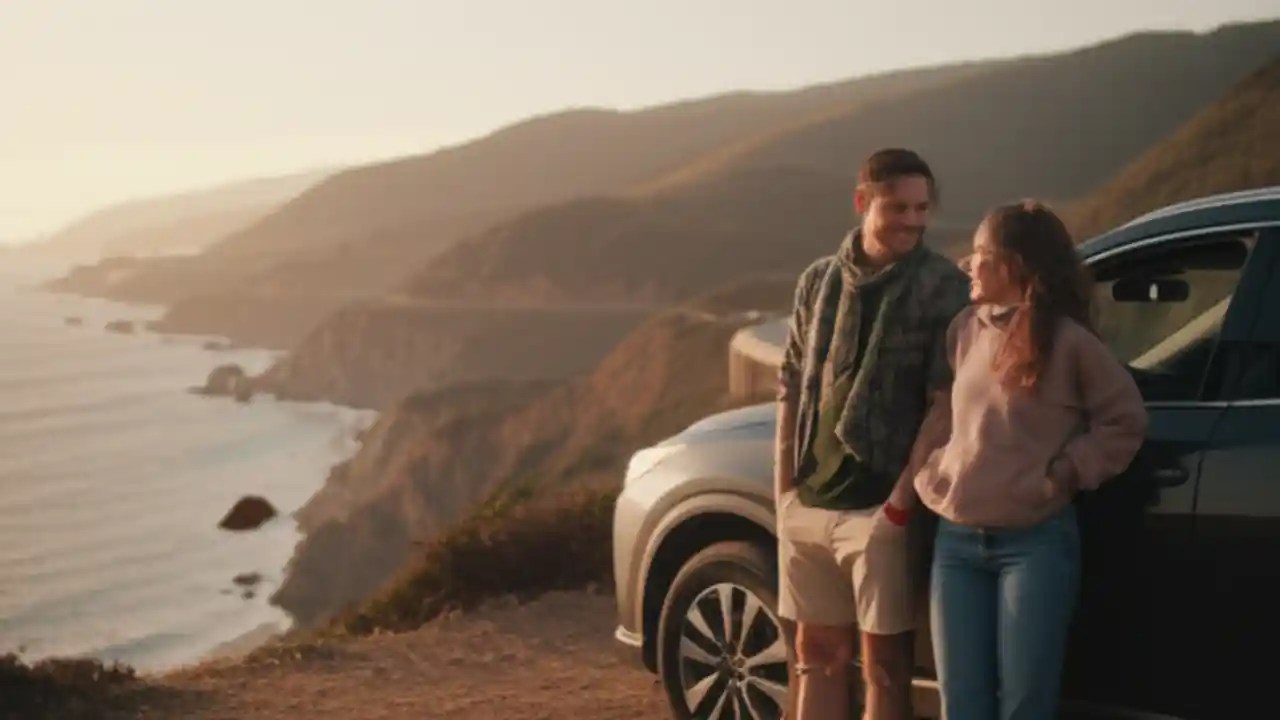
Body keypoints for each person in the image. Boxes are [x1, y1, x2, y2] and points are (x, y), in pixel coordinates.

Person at [911, 200, 1147, 720]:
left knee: (1024, 707)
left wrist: (1065, 473)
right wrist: (932, 470)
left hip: (1034, 545)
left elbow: (1124, 420)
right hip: (955, 543)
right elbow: (950, 414)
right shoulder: (965, 330)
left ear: (1016, 265)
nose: (967, 265)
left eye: (980, 255)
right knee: (962, 705)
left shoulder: (1070, 343)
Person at [775, 148, 970, 720]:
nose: (913, 220)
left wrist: (899, 508)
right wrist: (783, 493)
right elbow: (790, 386)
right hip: (809, 501)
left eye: (921, 208)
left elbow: (944, 404)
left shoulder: (940, 285)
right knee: (816, 656)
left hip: (883, 507)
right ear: (863, 202)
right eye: (898, 207)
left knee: (885, 668)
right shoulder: (818, 281)